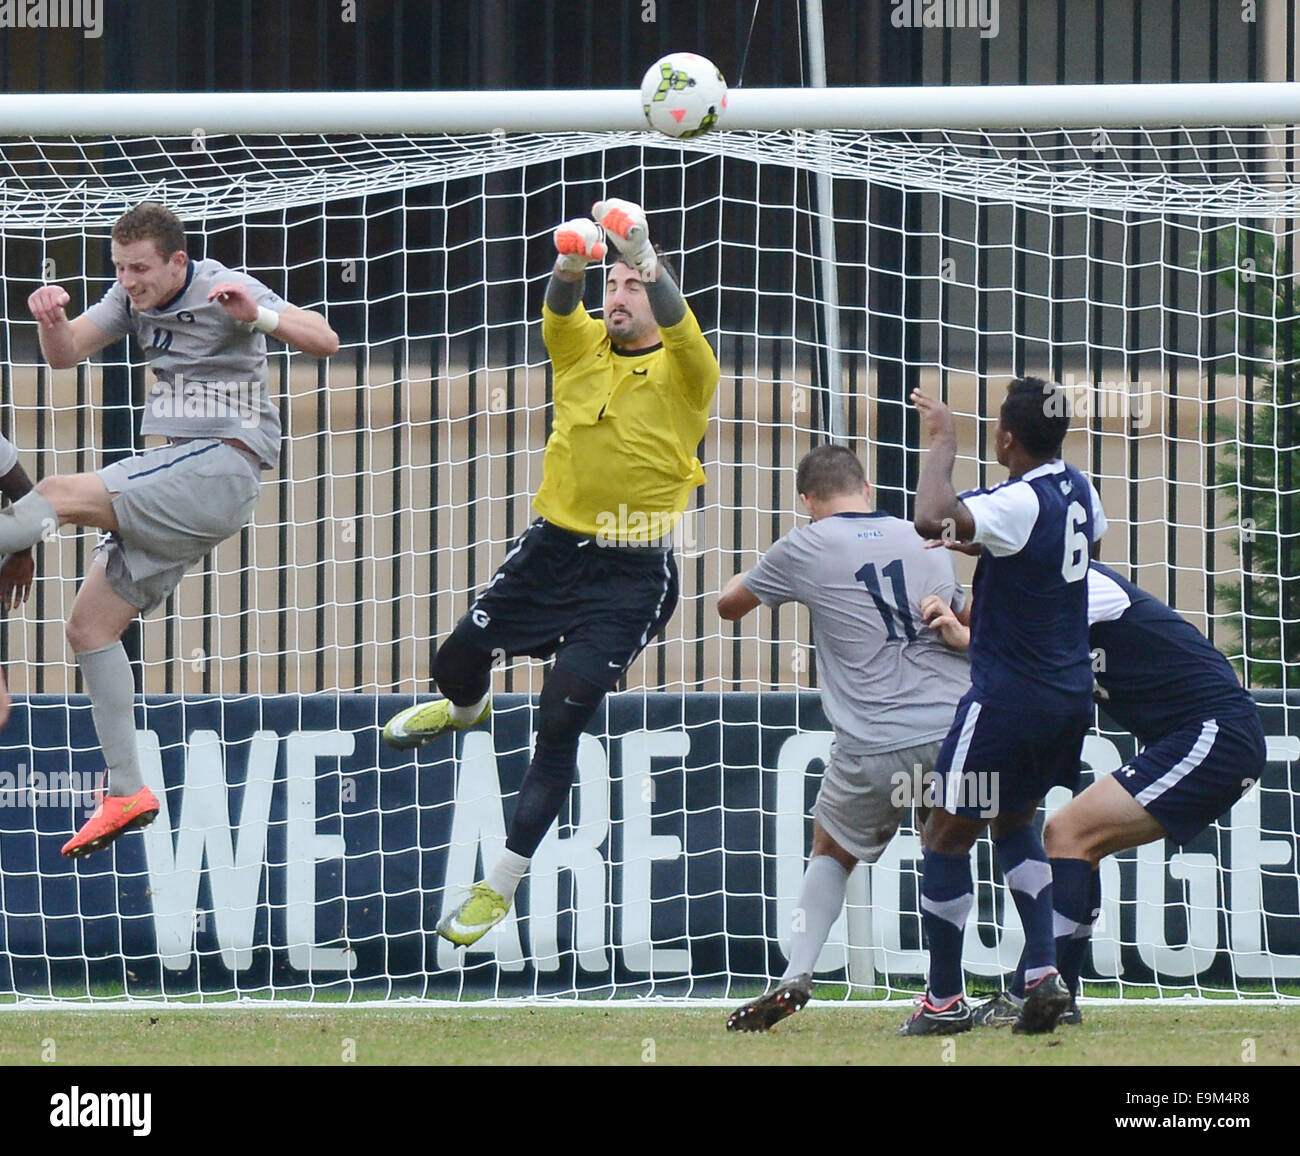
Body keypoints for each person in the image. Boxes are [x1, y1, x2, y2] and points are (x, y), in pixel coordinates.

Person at [381, 197, 720, 947]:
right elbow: (560, 311)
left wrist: (641, 251)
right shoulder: (580, 348)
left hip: (632, 573)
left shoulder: (688, 369)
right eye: (616, 287)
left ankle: (499, 884)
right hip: (551, 552)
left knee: (561, 715)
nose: (621, 298)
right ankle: (466, 712)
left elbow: (678, 313)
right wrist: (571, 262)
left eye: (632, 289)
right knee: (454, 664)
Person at [9, 202, 338, 858]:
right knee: (89, 627)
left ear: (177, 262)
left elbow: (325, 340)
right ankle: (127, 790)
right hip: (173, 481)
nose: (129, 281)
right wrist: (50, 323)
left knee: (51, 495)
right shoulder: (128, 296)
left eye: (140, 269)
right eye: (120, 268)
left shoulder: (221, 284)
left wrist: (260, 316)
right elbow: (67, 354)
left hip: (220, 464)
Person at [922, 561, 1267, 1027]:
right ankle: (1056, 998)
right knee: (1077, 842)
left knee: (1068, 833)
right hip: (1202, 735)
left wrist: (971, 629)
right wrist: (969, 637)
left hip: (1215, 735)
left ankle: (1040, 992)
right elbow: (1020, 648)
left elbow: (1021, 641)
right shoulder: (1051, 586)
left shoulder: (1081, 582)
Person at [716, 444, 972, 1031]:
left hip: (875, 741)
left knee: (831, 850)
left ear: (807, 501)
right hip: (957, 725)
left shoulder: (804, 546)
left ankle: (796, 973)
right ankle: (962, 992)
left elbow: (730, 606)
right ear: (867, 487)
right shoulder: (921, 534)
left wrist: (756, 570)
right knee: (948, 848)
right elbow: (960, 611)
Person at [899, 378, 1105, 1036]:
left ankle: (941, 1001)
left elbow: (929, 517)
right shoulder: (1080, 491)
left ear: (1006, 437)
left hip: (1010, 695)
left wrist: (943, 439)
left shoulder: (1015, 502)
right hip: (1069, 694)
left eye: (992, 426)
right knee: (1015, 820)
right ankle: (1045, 976)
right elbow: (1074, 562)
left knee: (944, 831)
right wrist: (988, 546)